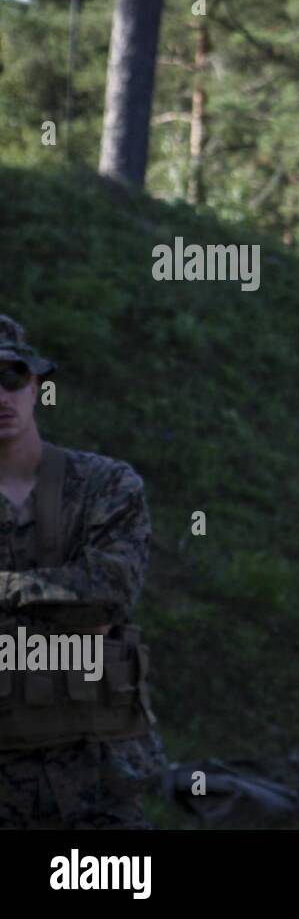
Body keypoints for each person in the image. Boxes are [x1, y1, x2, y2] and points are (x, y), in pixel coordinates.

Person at [0, 314, 163, 828]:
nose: (1, 395)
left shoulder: (103, 486)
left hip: (93, 783)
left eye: (12, 376)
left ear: (36, 384)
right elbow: (82, 616)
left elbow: (104, 600)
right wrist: (56, 607)